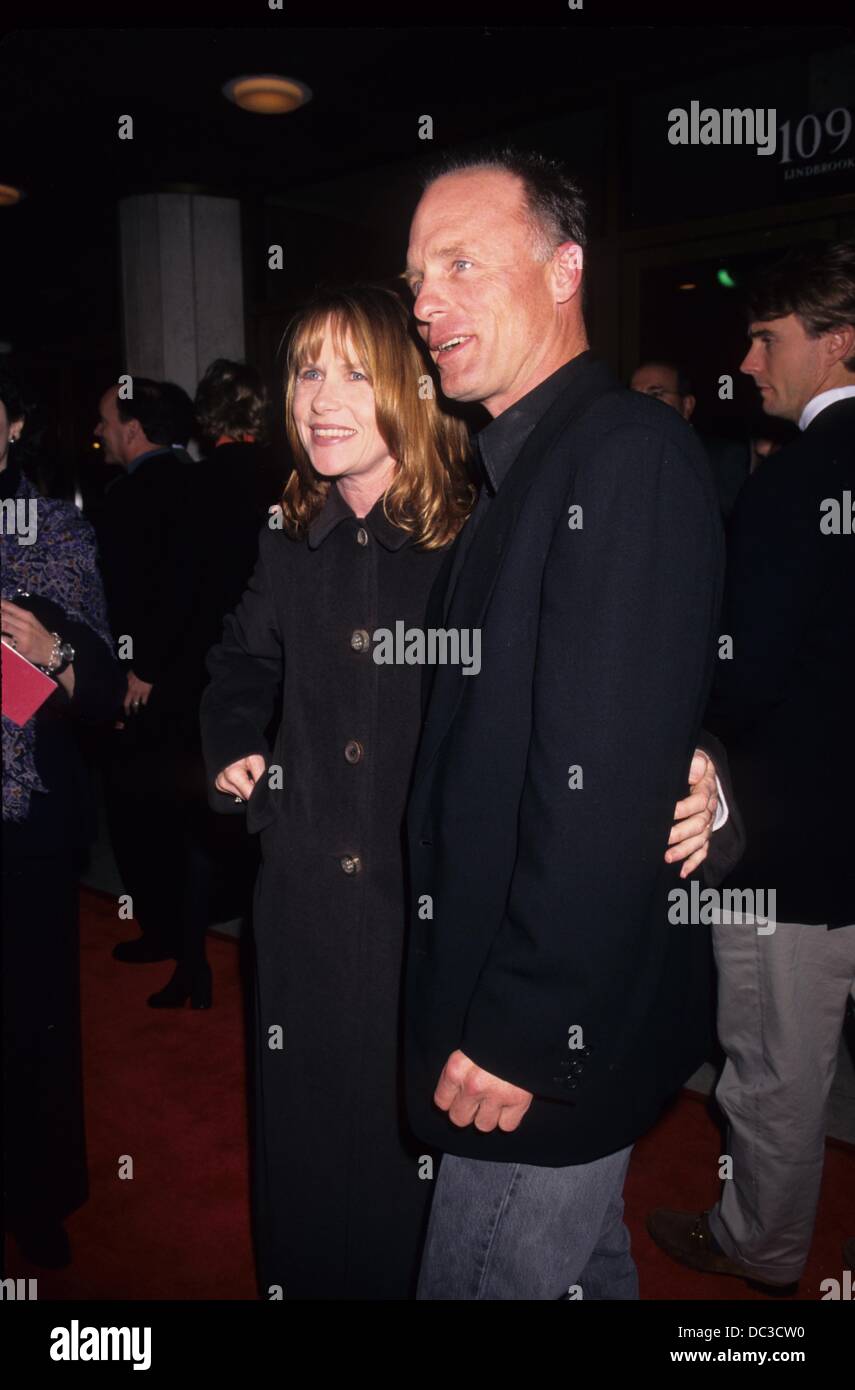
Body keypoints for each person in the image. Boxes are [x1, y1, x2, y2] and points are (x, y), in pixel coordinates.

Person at [199, 283, 726, 1300]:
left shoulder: (474, 533)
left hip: (430, 923)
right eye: (307, 368)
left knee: (422, 1195)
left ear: (407, 385)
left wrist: (692, 755)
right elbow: (237, 667)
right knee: (305, 1168)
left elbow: (592, 676)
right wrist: (237, 757)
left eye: (354, 369)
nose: (321, 395)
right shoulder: (286, 538)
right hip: (304, 909)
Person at [402, 147, 733, 1301]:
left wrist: (526, 1027)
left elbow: (598, 785)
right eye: (415, 280)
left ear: (564, 270)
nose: (426, 303)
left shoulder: (620, 454)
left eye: (458, 264)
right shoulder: (531, 462)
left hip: (540, 1043)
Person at [648, 241, 855, 1296]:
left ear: (840, 343)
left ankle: (765, 1250)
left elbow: (748, 670)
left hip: (794, 841)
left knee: (774, 1067)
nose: (748, 357)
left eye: (768, 337)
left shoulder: (800, 479)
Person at [1, 370, 124, 1268]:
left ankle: (35, 1197)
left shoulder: (55, 531)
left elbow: (104, 688)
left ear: (10, 427)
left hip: (24, 821)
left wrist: (52, 651)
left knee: (31, 1021)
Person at [148, 360, 284, 1009]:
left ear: (208, 419)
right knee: (270, 823)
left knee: (200, 823)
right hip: (280, 675)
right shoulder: (295, 477)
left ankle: (193, 969)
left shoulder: (196, 487)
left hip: (208, 675)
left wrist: (146, 669)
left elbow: (177, 593)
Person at [92, 377, 200, 965]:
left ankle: (162, 933)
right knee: (181, 816)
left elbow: (133, 595)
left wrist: (137, 671)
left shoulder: (127, 497)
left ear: (132, 431)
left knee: (141, 816)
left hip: (144, 683)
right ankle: (184, 933)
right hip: (194, 680)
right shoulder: (196, 482)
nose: (100, 431)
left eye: (106, 421)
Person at [630, 358, 750, 519]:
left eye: (656, 394)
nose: (641, 404)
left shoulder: (721, 457)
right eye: (634, 396)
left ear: (687, 405)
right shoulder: (623, 457)